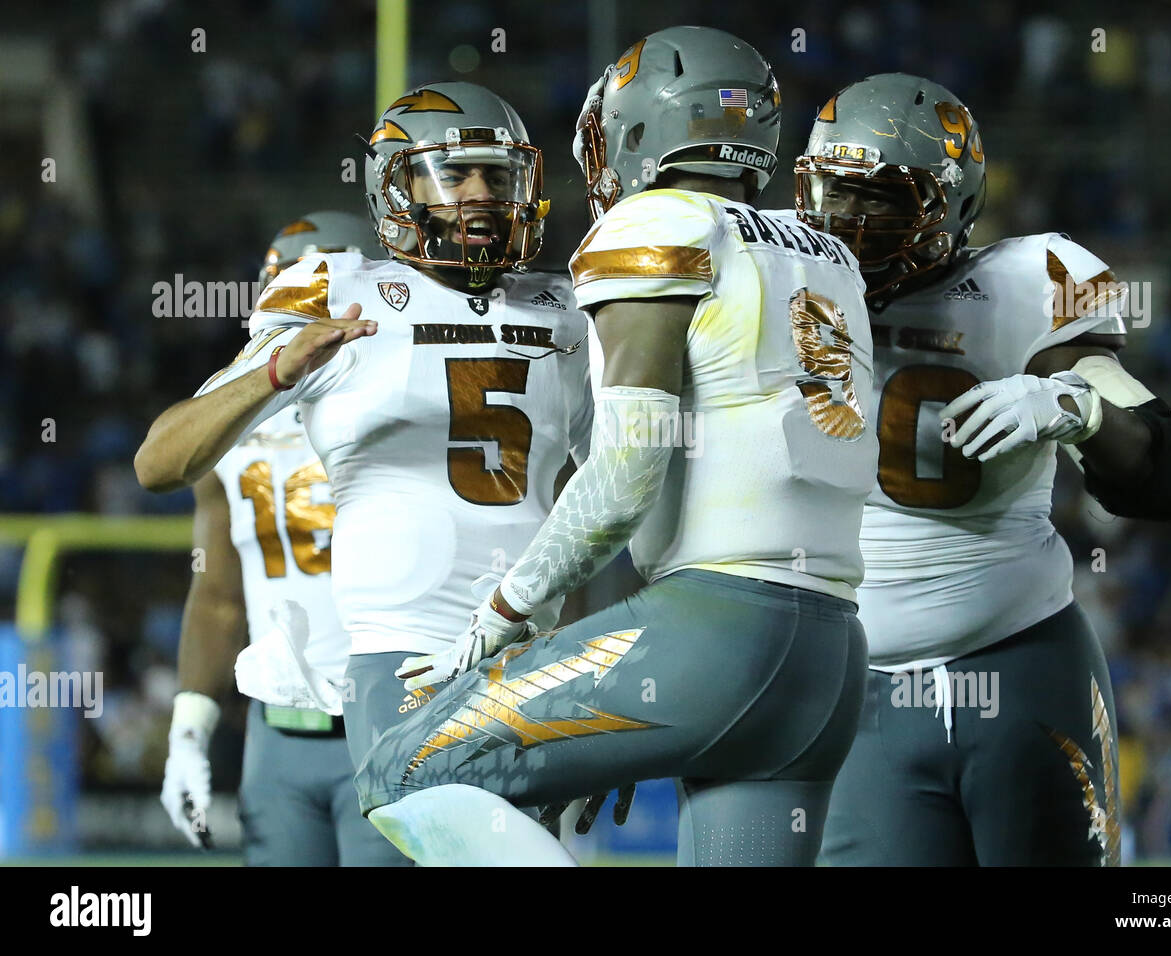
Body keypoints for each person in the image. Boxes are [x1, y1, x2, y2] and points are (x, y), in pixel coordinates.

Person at [354, 25, 877, 868]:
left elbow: (628, 467)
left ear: (639, 131)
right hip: (831, 653)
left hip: (717, 631)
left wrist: (506, 614)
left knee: (400, 771)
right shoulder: (826, 253)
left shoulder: (658, 220)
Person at [794, 74, 1171, 865]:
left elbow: (1170, 474)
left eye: (881, 198)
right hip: (860, 689)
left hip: (1021, 668)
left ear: (951, 205)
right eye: (832, 192)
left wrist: (1076, 406)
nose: (845, 222)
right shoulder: (778, 267)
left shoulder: (1031, 282)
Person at [135, 82, 594, 787]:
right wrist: (279, 373)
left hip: (530, 660)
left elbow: (596, 502)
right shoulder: (337, 287)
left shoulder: (565, 306)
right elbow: (160, 462)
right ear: (395, 186)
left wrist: (584, 668)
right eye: (453, 172)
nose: (479, 194)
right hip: (401, 657)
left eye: (497, 175)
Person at [161, 211, 415, 865]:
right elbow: (219, 595)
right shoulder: (230, 418)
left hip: (395, 722)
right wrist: (189, 731)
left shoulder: (416, 403)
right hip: (276, 738)